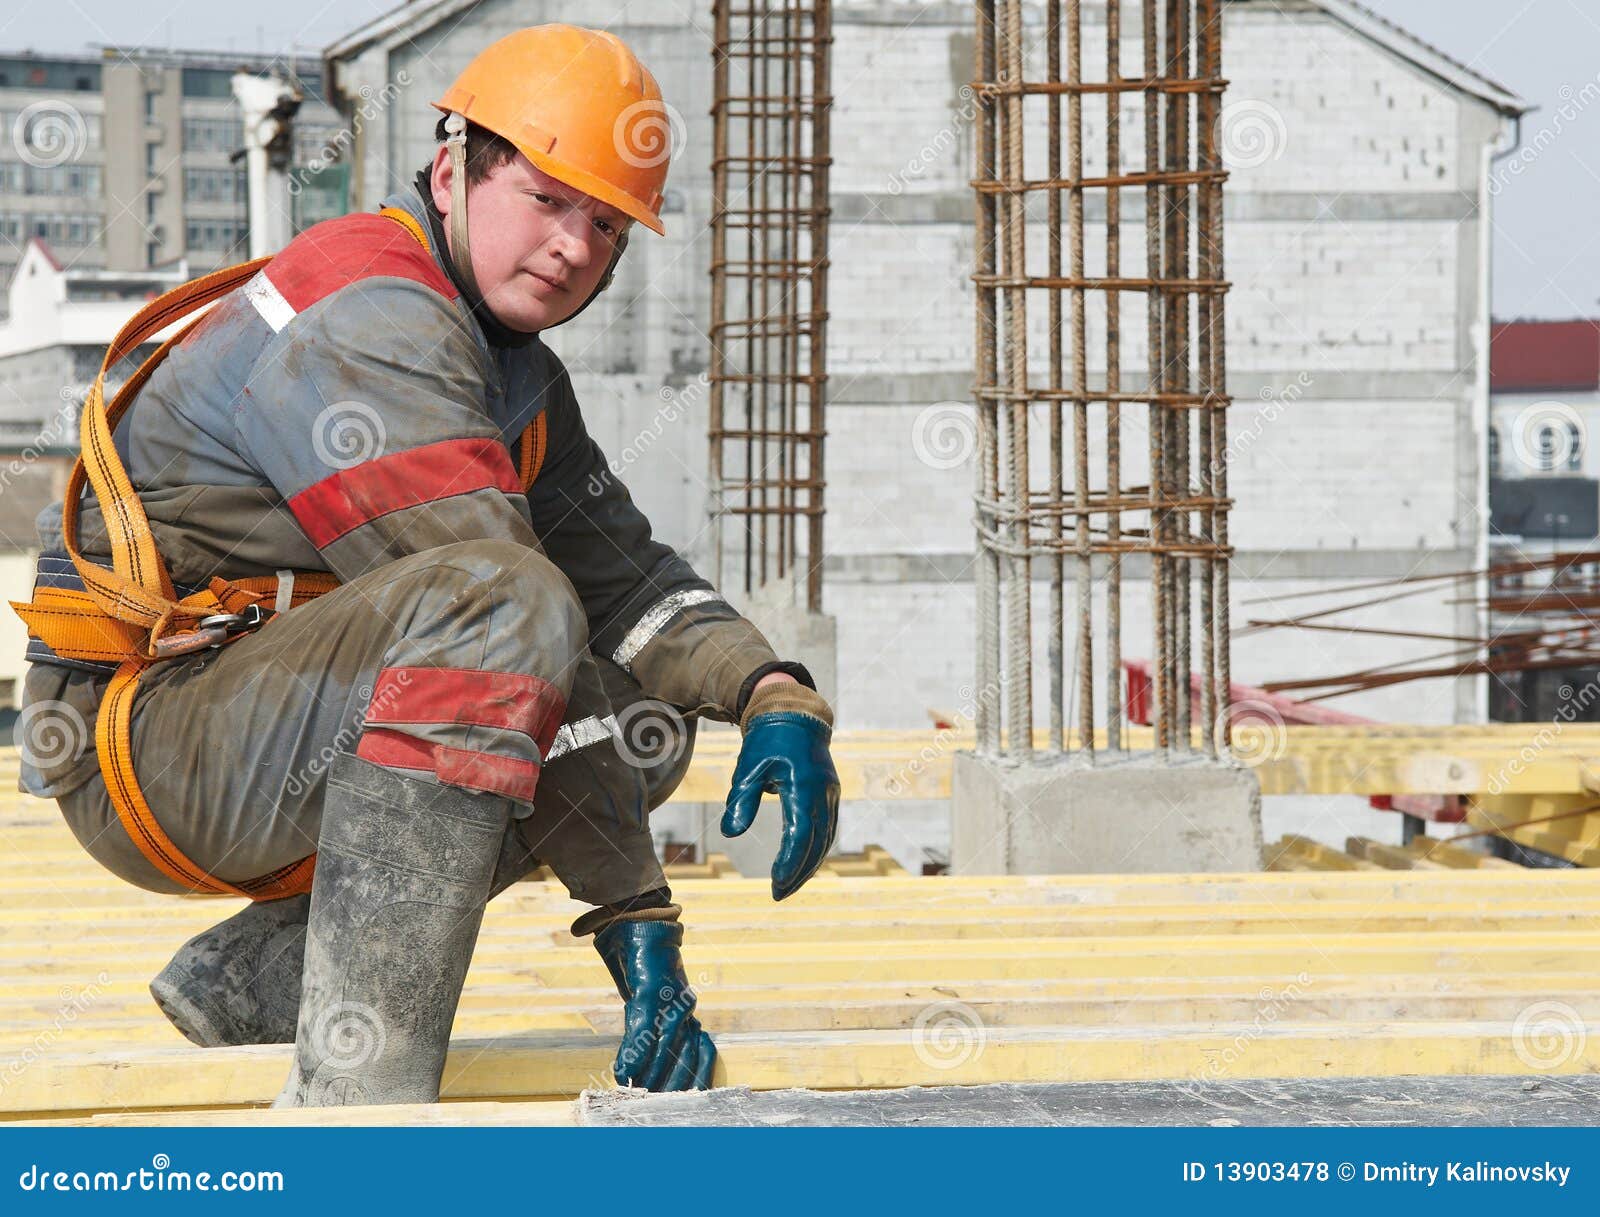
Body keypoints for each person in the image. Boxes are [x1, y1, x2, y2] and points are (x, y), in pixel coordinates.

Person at [10, 23, 840, 1107]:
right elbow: (505, 615)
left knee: (645, 721)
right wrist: (636, 915)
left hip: (265, 720)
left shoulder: (512, 372)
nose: (573, 246)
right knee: (505, 612)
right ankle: (360, 1096)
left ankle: (256, 981)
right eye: (546, 200)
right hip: (152, 745)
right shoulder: (369, 316)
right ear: (452, 174)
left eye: (604, 224)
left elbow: (627, 583)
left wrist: (773, 694)